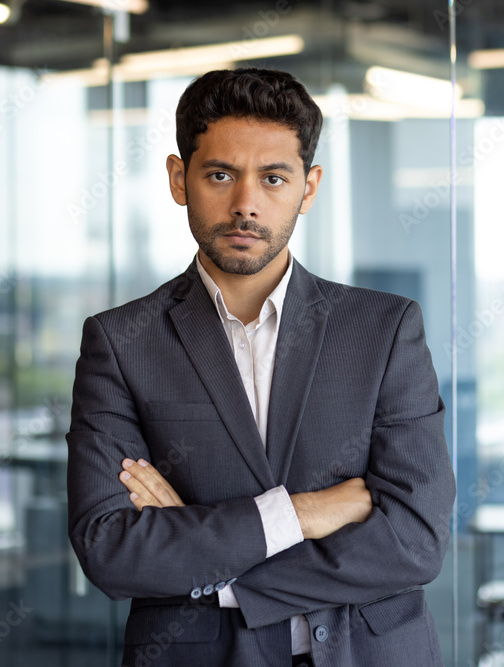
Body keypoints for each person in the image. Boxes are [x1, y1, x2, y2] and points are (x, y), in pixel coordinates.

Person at [66, 67, 456, 667]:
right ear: (179, 179)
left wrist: (217, 573)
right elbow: (111, 550)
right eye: (220, 175)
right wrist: (302, 514)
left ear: (308, 187)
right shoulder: (121, 341)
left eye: (273, 178)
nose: (245, 204)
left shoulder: (383, 329)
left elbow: (416, 541)